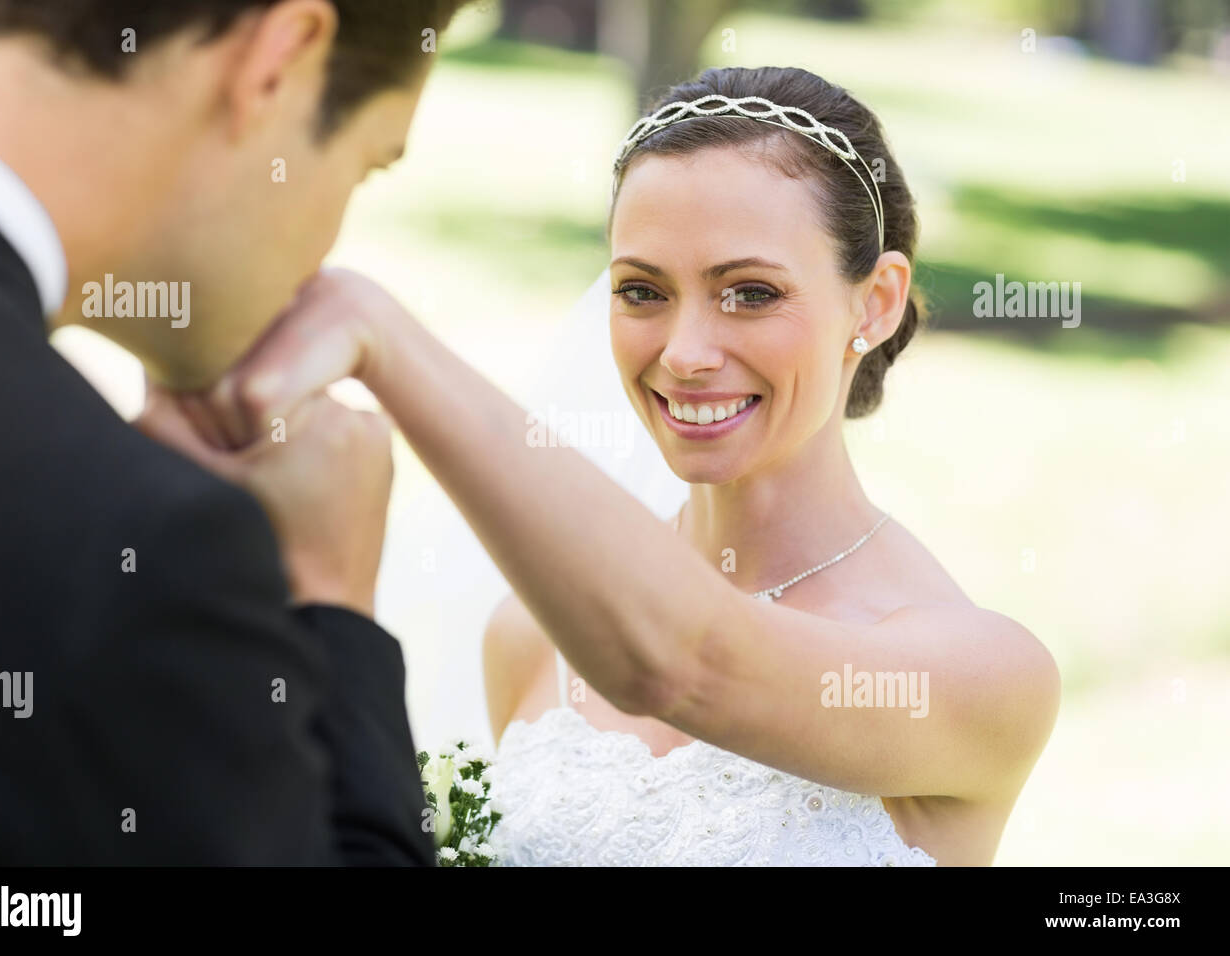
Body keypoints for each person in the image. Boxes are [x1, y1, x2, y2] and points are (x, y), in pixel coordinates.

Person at [196, 66, 1062, 867]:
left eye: (751, 293)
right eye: (642, 291)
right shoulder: (529, 639)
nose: (684, 353)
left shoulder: (979, 675)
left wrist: (381, 339)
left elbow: (686, 665)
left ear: (874, 303)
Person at [0, 0, 472, 865]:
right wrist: (331, 600)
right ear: (280, 60)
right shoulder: (142, 538)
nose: (322, 257)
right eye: (368, 165)